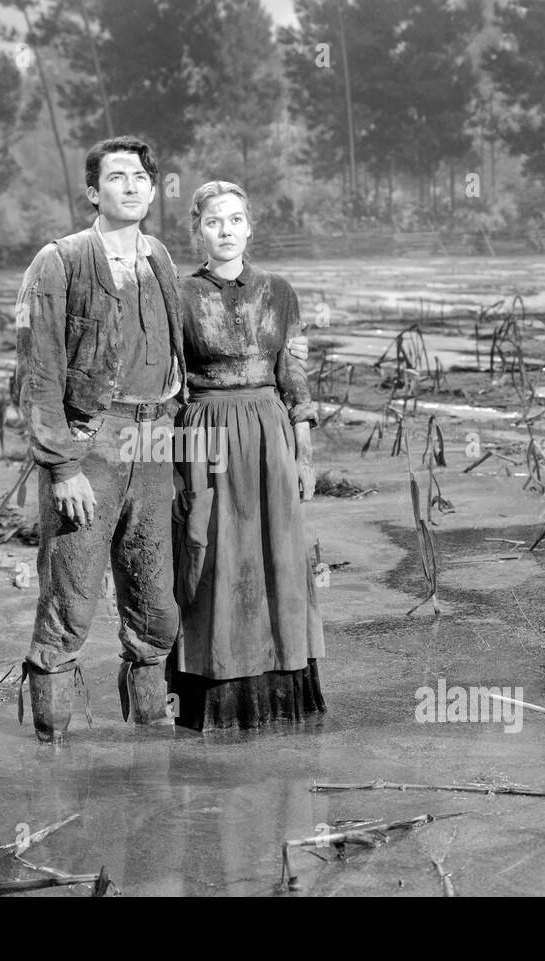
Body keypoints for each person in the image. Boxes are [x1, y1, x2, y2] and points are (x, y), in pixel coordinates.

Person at [12, 135, 185, 742]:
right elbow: (39, 376)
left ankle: (150, 729)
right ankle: (52, 742)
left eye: (141, 176)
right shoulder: (58, 262)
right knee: (71, 603)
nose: (133, 186)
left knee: (157, 603)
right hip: (94, 441)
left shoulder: (159, 257)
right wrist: (62, 468)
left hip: (155, 440)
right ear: (93, 192)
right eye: (117, 178)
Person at [169, 181, 326, 730]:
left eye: (236, 220)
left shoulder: (279, 291)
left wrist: (303, 455)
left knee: (278, 550)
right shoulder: (179, 294)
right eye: (215, 222)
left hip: (269, 431)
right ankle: (216, 685)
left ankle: (282, 680)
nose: (227, 230)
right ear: (198, 231)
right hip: (206, 430)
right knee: (213, 549)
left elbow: (294, 374)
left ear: (250, 227)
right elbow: (169, 383)